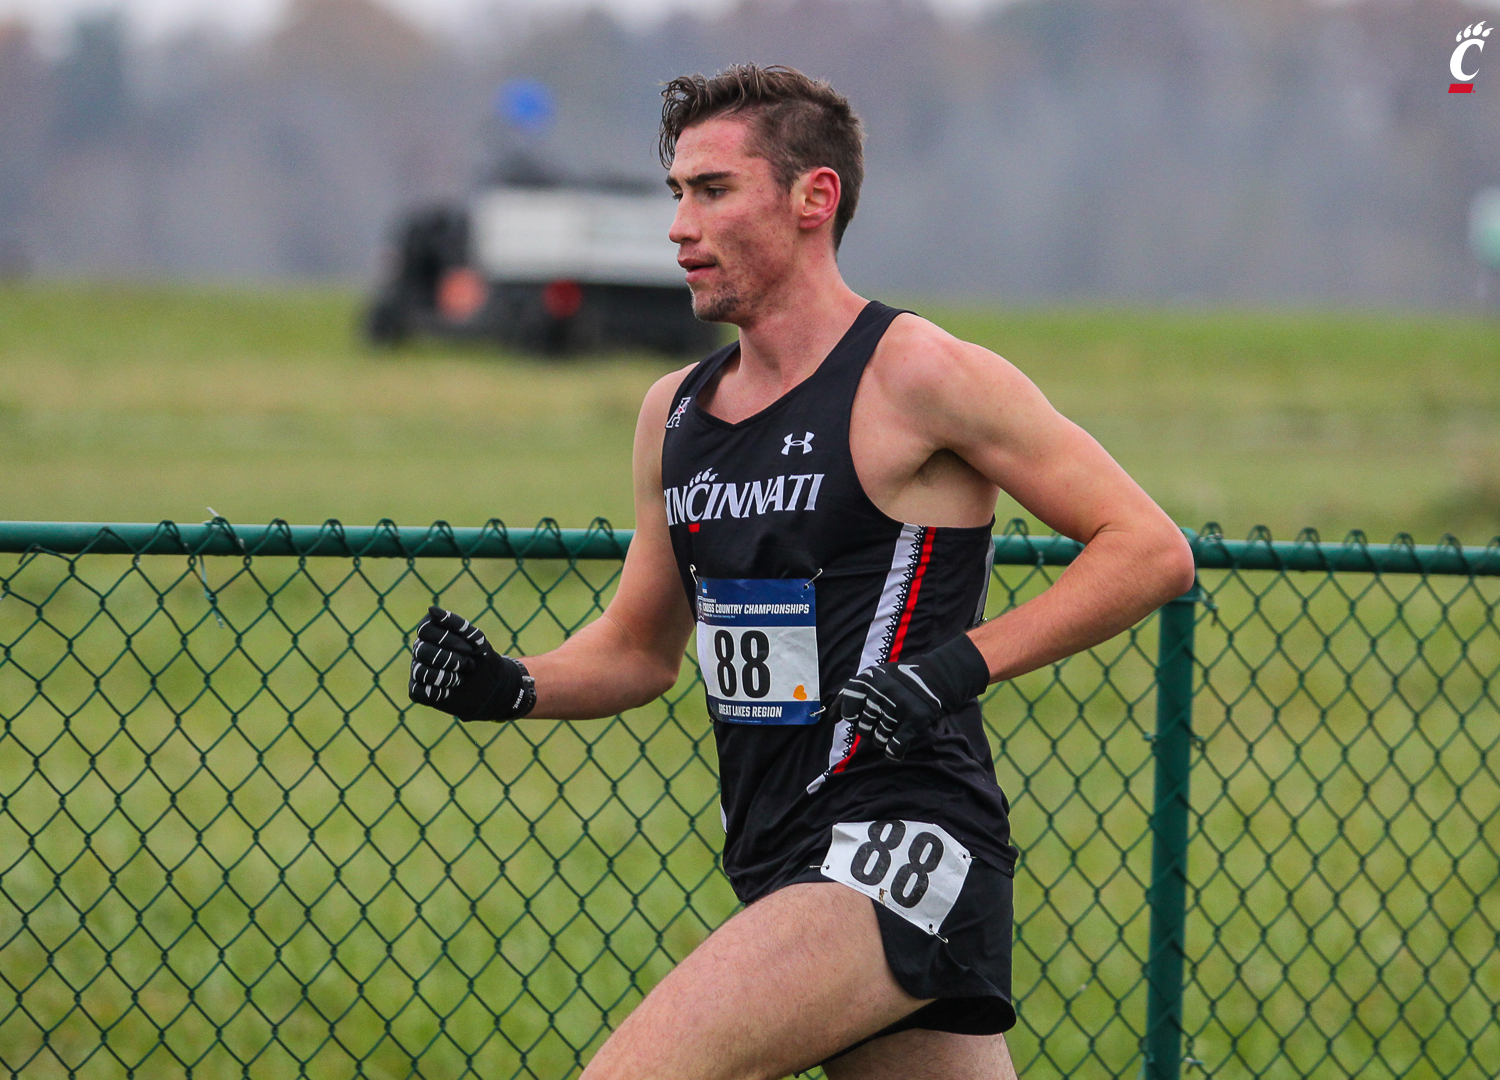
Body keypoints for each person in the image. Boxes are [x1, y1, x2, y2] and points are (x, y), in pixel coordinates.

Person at [408, 64, 1194, 1080]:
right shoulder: (676, 414)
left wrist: (952, 669)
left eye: (714, 190)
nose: (680, 226)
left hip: (899, 849)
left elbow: (1148, 548)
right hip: (778, 856)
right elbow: (641, 648)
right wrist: (514, 683)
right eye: (675, 193)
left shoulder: (918, 375)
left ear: (813, 198)